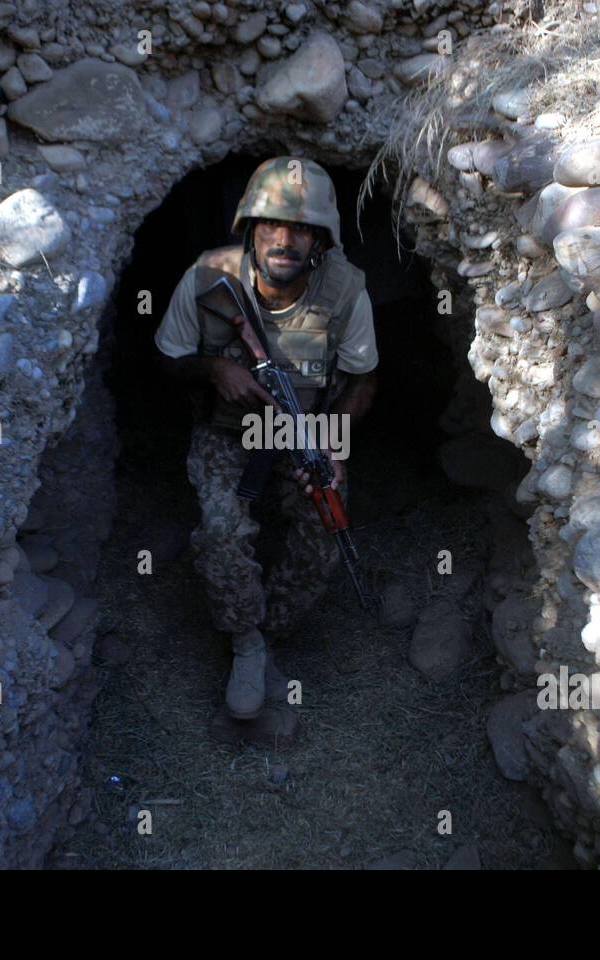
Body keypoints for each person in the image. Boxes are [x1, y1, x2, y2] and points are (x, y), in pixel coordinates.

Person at [153, 156, 379, 719]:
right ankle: (246, 643)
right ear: (248, 228)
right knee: (222, 532)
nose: (284, 240)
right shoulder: (208, 277)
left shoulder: (345, 289)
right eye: (270, 224)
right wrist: (213, 371)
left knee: (326, 525)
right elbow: (164, 362)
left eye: (301, 228)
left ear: (321, 240)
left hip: (306, 428)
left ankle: (271, 627)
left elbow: (364, 378)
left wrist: (333, 441)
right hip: (228, 432)